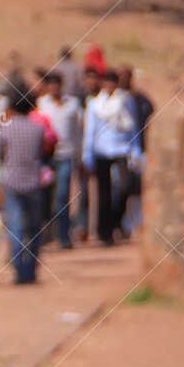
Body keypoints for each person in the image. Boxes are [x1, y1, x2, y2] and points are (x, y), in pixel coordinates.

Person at [0, 91, 54, 285]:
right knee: (34, 228)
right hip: (33, 182)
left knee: (15, 227)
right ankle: (31, 270)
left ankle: (19, 270)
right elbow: (41, 152)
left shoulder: (5, 128)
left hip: (11, 182)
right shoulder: (37, 129)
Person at [82, 69, 139, 245]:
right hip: (101, 150)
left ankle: (116, 221)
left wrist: (136, 149)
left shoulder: (125, 100)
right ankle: (104, 232)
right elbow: (90, 129)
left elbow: (133, 126)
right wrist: (87, 154)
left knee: (124, 188)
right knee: (103, 194)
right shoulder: (94, 104)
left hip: (121, 149)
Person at [37, 72, 84, 250]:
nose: (54, 87)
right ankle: (46, 235)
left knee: (62, 196)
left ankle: (64, 236)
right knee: (44, 197)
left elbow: (79, 132)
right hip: (46, 157)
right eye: (51, 84)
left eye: (57, 84)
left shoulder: (72, 105)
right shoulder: (41, 104)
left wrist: (80, 156)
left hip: (65, 155)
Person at [117, 65, 153, 238]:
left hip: (138, 150)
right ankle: (120, 224)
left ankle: (135, 224)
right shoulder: (114, 99)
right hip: (118, 150)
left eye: (126, 75)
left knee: (137, 188)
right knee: (121, 188)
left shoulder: (140, 99)